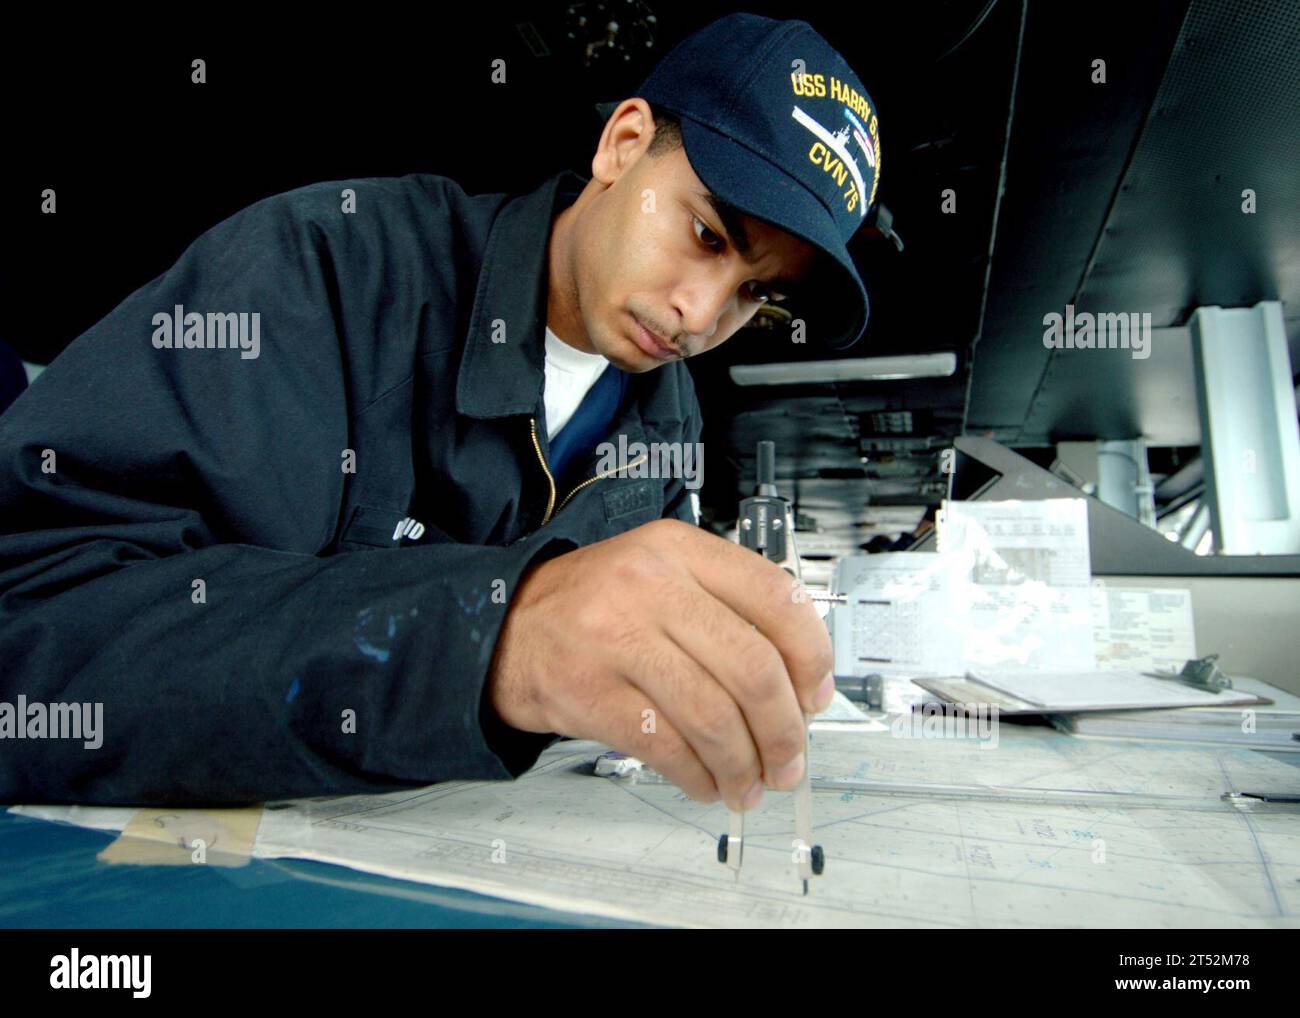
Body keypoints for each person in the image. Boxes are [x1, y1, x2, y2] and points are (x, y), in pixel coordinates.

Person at [0, 13, 881, 809]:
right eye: (707, 235)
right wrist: (495, 633)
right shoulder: (319, 274)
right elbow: (32, 634)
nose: (700, 316)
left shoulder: (666, 411)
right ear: (623, 143)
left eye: (753, 294)